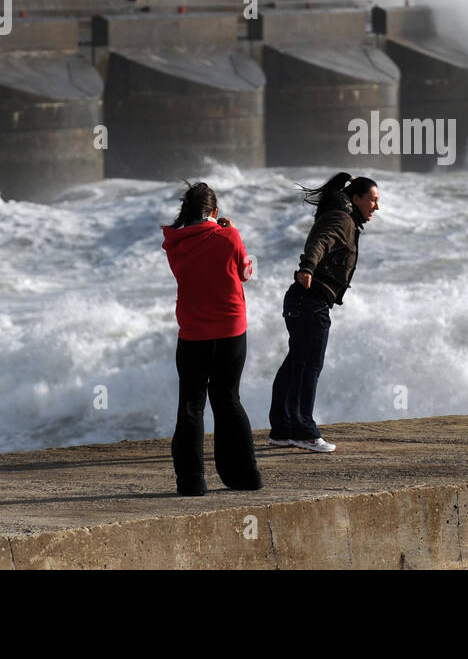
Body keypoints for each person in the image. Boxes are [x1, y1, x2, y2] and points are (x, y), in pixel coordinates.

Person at [161, 181, 263, 496]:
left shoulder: (174, 244)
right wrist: (232, 230)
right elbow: (246, 272)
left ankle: (192, 481)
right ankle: (245, 476)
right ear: (214, 212)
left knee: (191, 405)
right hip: (231, 331)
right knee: (229, 399)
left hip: (193, 334)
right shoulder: (229, 236)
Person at [268, 172, 380, 453]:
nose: (376, 207)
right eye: (373, 200)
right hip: (310, 300)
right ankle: (304, 431)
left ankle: (282, 431)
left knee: (296, 364)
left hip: (303, 302)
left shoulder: (343, 217)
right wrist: (307, 267)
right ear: (356, 198)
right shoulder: (341, 219)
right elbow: (320, 240)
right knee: (308, 367)